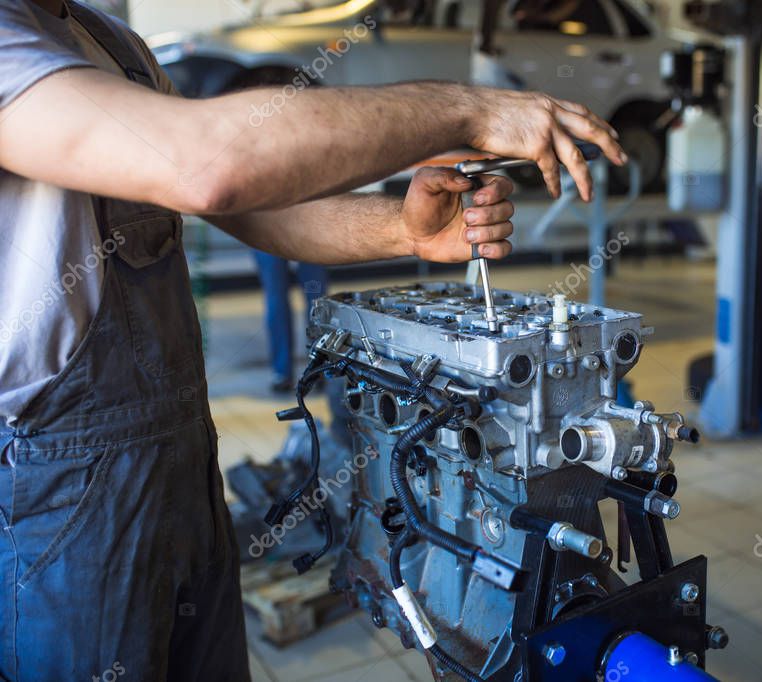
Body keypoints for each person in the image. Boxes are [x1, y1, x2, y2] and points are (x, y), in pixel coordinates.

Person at [0, 0, 626, 680]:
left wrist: (404, 232)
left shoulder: (108, 40)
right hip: (51, 487)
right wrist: (469, 110)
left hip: (174, 456)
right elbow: (204, 164)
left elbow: (241, 205)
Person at [252, 251, 330, 393]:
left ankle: (282, 374)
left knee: (277, 296)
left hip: (271, 235)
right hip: (308, 235)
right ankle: (320, 367)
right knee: (315, 296)